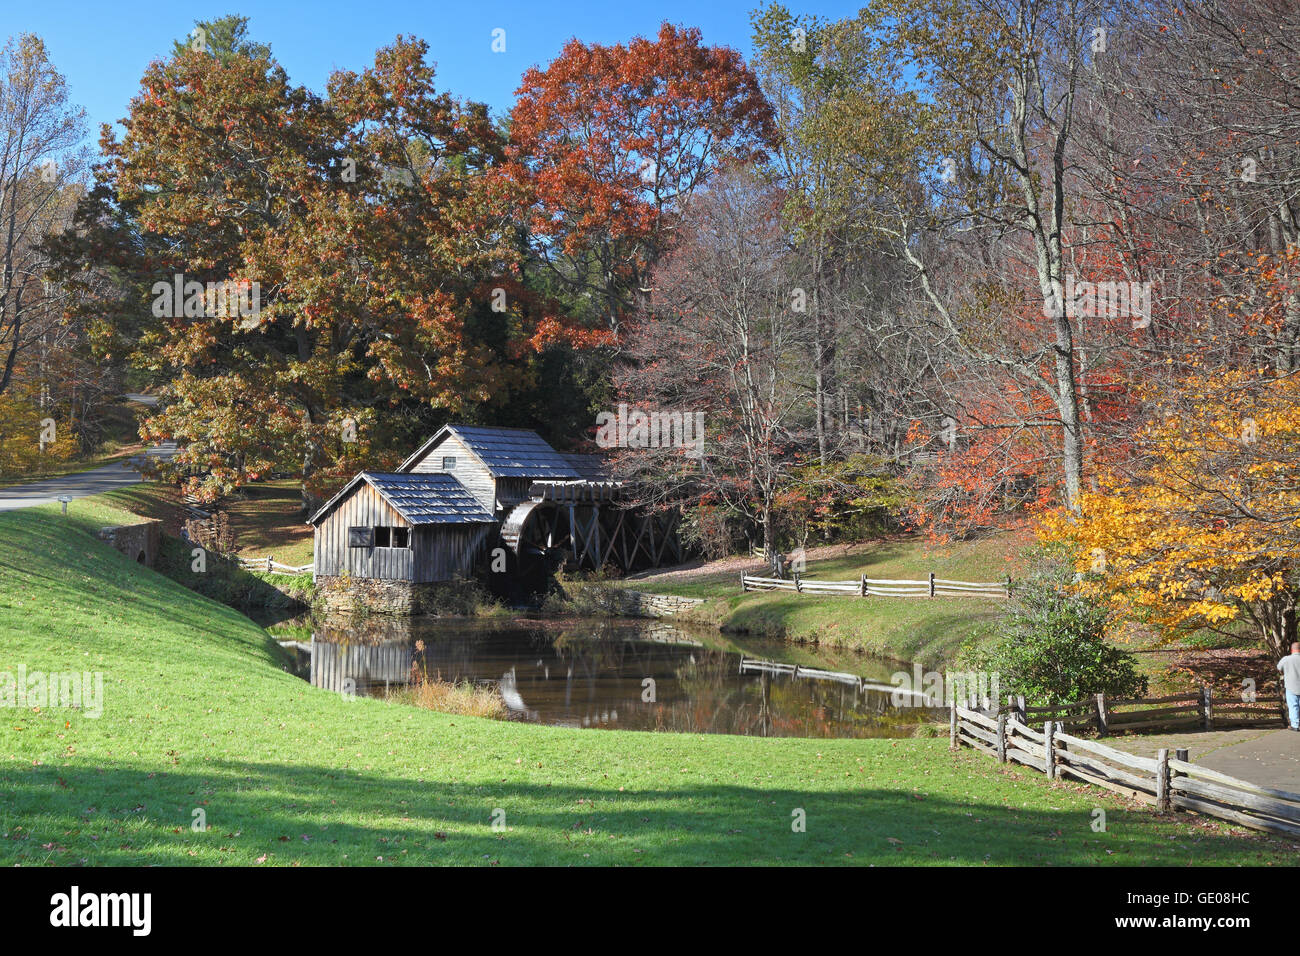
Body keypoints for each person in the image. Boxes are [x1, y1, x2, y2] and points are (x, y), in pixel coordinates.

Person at [1278, 642, 1300, 731]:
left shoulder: (1286, 659)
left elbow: (1279, 668)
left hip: (1291, 686)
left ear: (1291, 650)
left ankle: (1295, 725)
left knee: (1293, 706)